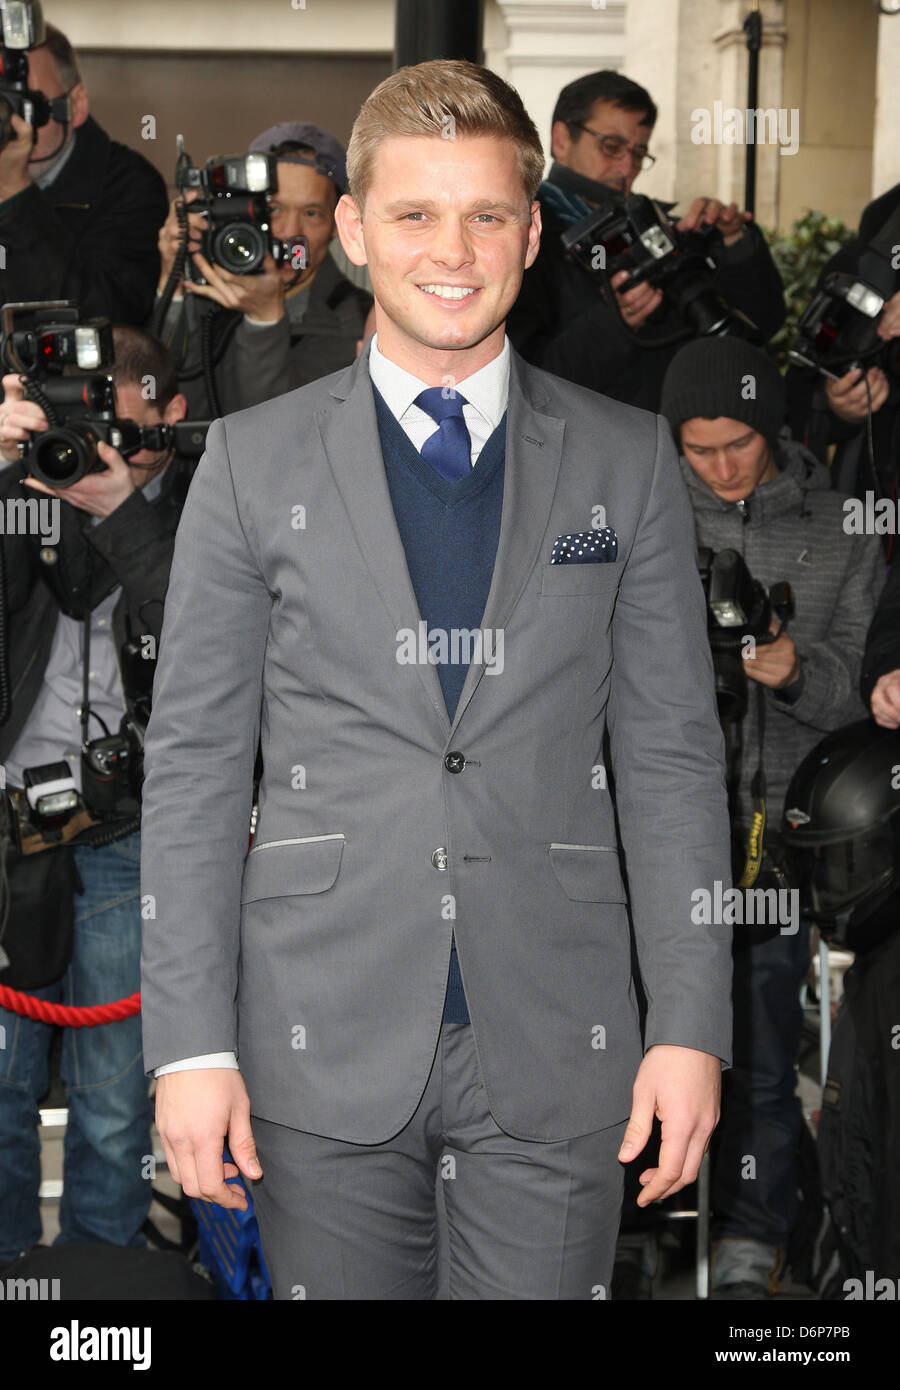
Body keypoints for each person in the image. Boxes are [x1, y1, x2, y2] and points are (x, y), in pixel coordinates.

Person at [139, 58, 733, 1302]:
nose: (450, 250)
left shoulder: (626, 463)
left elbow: (674, 759)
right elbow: (194, 766)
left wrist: (689, 1022)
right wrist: (187, 1043)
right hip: (320, 1032)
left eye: (485, 214)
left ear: (532, 231)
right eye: (414, 213)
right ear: (353, 231)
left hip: (561, 1037)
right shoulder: (249, 464)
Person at [660, 335, 885, 1298]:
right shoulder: (642, 517)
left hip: (778, 847)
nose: (718, 468)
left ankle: (752, 1234)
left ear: (775, 430)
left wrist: (798, 672)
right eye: (698, 449)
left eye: (737, 446)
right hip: (657, 834)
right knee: (645, 1039)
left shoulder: (843, 528)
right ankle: (651, 1221)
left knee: (753, 1048)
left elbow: (867, 694)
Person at [0, 325, 194, 1269]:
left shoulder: (199, 502)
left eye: (128, 429)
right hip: (8, 828)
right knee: (0, 1089)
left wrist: (123, 511)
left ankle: (101, 1281)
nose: (98, 449)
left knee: (115, 1098)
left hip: (126, 828)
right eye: (85, 427)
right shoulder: (21, 490)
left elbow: (203, 640)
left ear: (171, 417)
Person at [506, 70, 785, 411]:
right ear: (562, 139)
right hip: (584, 449)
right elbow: (525, 382)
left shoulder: (662, 229)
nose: (627, 168)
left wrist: (733, 243)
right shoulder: (519, 237)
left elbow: (759, 328)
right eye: (611, 147)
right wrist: (615, 321)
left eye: (638, 153)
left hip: (675, 447)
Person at [153, 122, 373, 418]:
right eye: (273, 209)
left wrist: (264, 319)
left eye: (311, 213)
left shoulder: (359, 321)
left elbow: (285, 438)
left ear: (337, 226)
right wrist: (174, 283)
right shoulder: (209, 293)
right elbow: (172, 413)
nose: (290, 232)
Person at [0, 23, 168, 325]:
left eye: (24, 104)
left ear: (75, 105)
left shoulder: (129, 186)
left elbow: (100, 318)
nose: (10, 123)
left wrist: (15, 195)